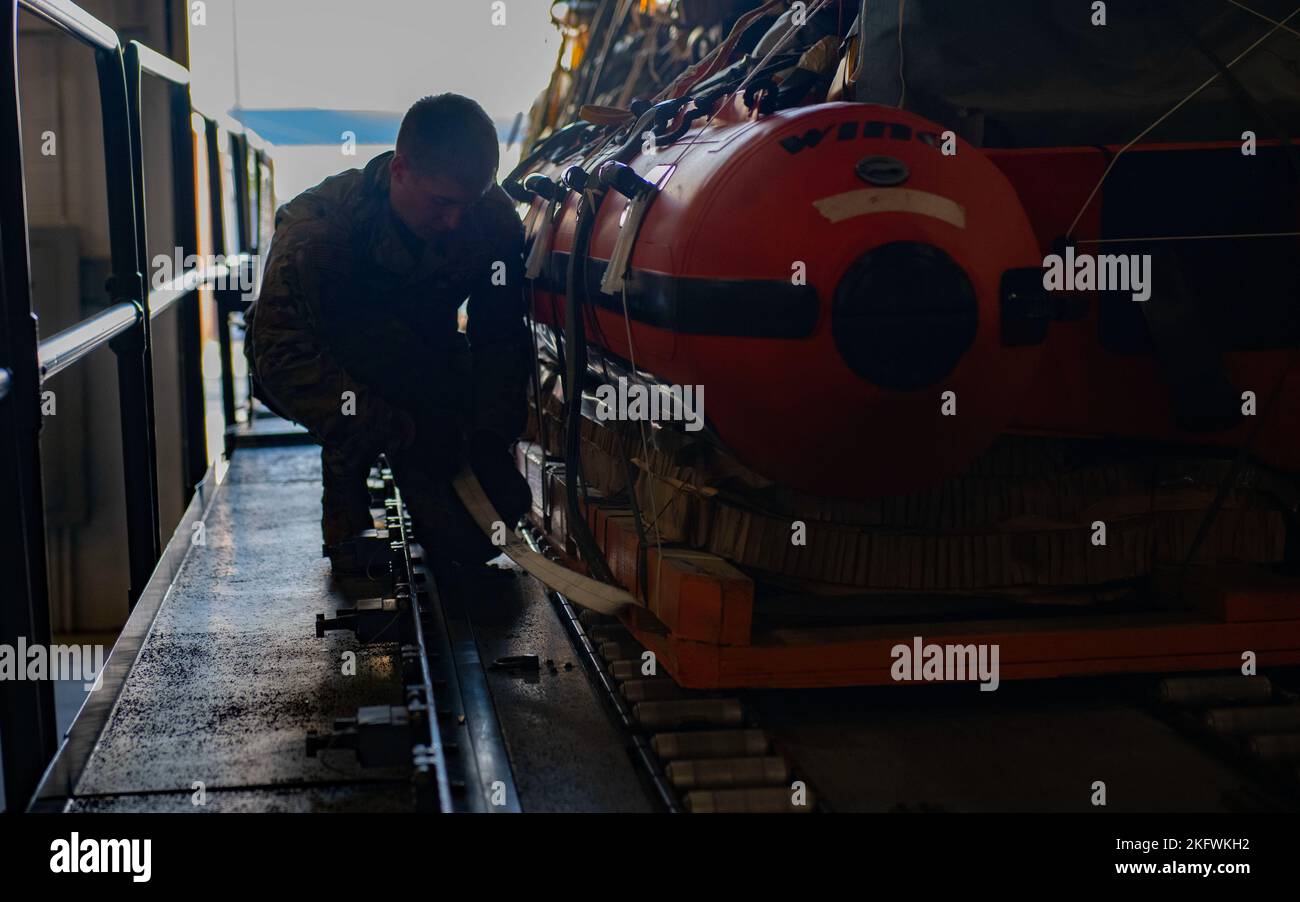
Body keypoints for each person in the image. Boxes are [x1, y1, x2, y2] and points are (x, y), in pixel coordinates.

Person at [244, 93, 532, 564]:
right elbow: (283, 362)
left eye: (469, 202)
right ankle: (347, 488)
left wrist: (488, 434)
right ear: (399, 171)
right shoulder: (319, 232)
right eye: (441, 202)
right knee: (371, 414)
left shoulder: (491, 220)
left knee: (476, 540)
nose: (455, 220)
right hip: (328, 364)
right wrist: (403, 432)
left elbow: (500, 338)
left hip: (421, 351)